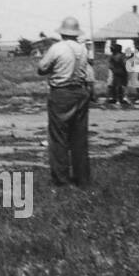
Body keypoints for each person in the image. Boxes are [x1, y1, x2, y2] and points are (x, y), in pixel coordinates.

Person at [37, 17, 91, 187]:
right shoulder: (83, 49)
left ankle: (61, 179)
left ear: (62, 32)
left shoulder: (57, 48)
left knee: (58, 137)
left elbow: (42, 69)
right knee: (79, 138)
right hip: (81, 92)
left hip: (61, 93)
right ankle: (82, 179)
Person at [106, 42, 129, 107]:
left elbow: (111, 66)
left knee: (117, 86)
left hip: (118, 73)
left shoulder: (114, 56)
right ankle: (120, 99)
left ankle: (117, 99)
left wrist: (114, 70)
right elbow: (125, 64)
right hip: (120, 73)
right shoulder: (121, 56)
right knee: (120, 86)